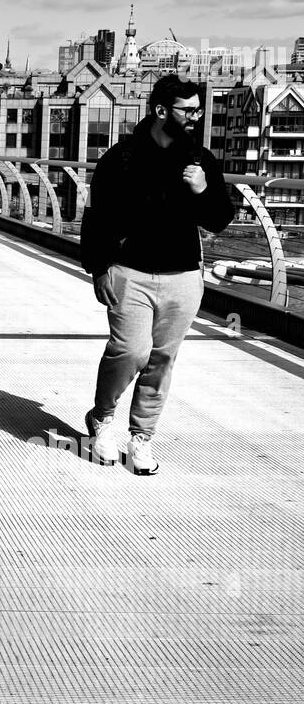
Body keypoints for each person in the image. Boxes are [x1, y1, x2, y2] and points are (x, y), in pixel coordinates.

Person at [80, 75, 235, 475]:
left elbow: (220, 219)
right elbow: (96, 216)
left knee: (163, 359)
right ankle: (102, 417)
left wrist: (203, 190)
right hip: (128, 272)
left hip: (183, 275)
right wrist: (98, 269)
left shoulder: (200, 160)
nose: (196, 118)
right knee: (130, 351)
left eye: (199, 110)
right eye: (188, 111)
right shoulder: (122, 157)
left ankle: (142, 436)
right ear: (161, 110)